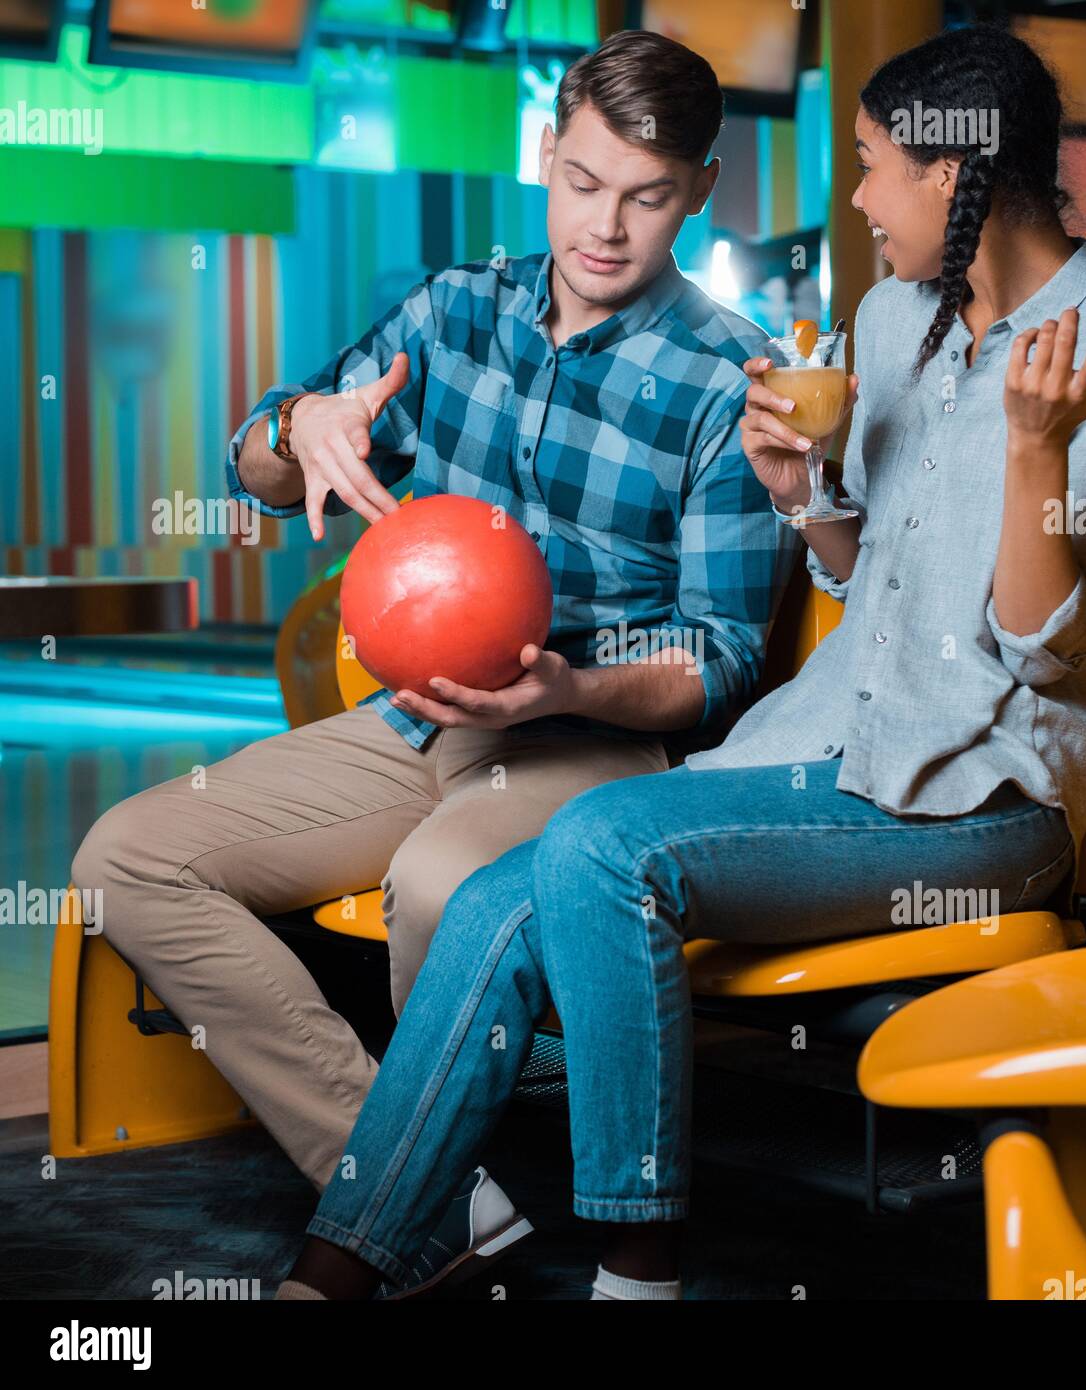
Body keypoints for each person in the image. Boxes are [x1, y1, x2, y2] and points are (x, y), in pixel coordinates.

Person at [274, 24, 1086, 1300]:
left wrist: (1038, 452)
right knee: (494, 903)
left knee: (601, 840)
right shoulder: (891, 318)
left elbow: (1045, 642)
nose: (861, 196)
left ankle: (637, 1268)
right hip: (819, 764)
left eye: (875, 167)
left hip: (983, 800)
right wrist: (801, 490)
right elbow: (856, 567)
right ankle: (335, 1270)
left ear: (950, 172)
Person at [70, 28, 798, 1289]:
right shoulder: (453, 309)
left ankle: (406, 1197)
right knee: (129, 857)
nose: (607, 227)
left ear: (702, 189)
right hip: (415, 721)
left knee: (439, 884)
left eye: (648, 195)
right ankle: (427, 1190)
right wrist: (299, 423)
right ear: (545, 157)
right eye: (582, 182)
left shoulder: (734, 379)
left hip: (591, 734)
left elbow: (724, 657)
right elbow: (249, 464)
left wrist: (567, 687)